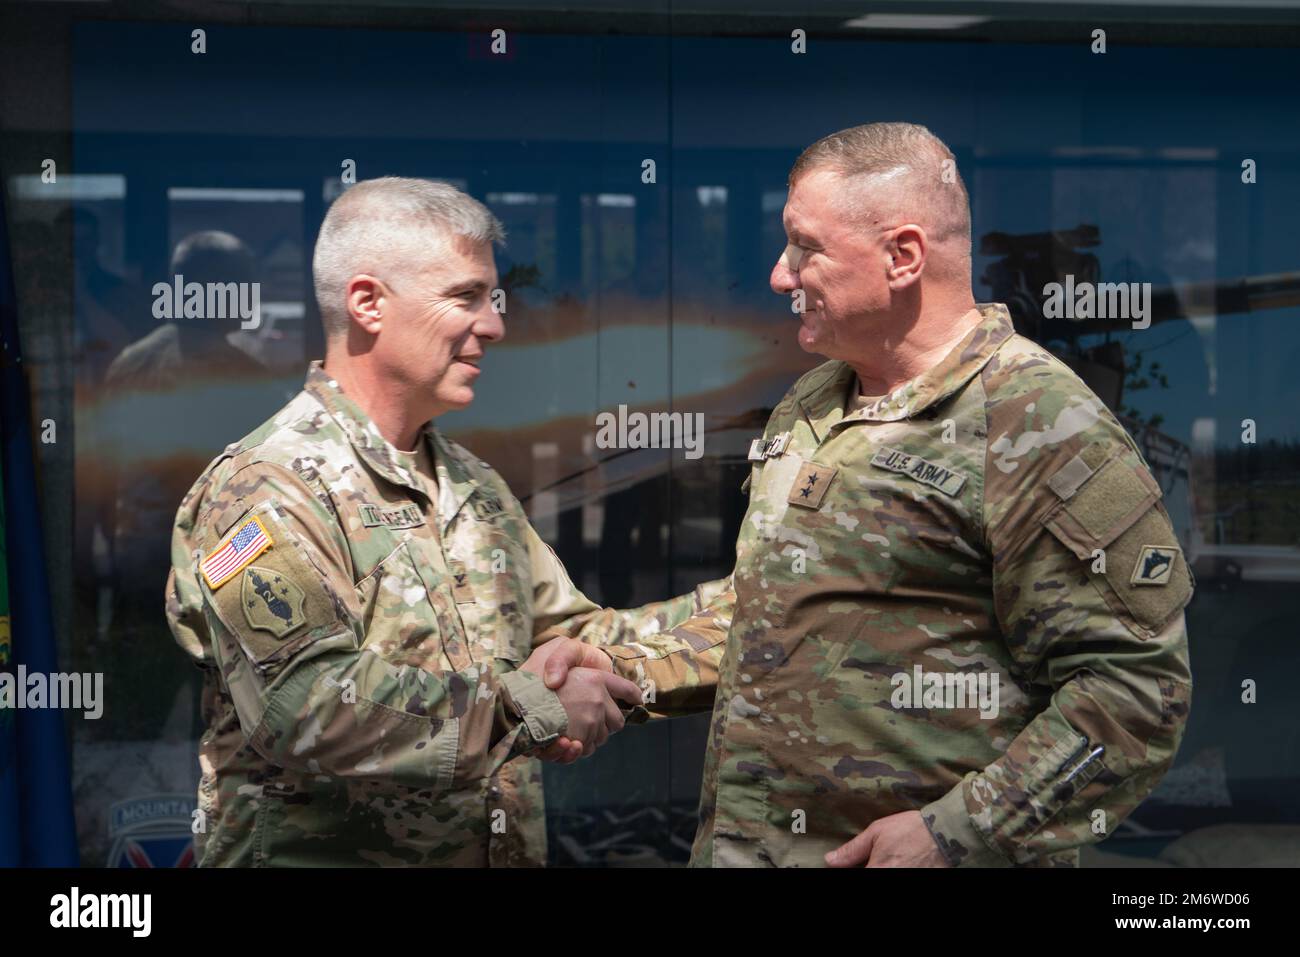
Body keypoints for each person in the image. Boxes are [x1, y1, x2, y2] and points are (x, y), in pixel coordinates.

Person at [557, 122, 1194, 867]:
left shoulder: (1038, 421)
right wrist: (614, 659)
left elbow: (1135, 692)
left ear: (903, 256)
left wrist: (957, 833)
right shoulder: (816, 401)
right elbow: (769, 605)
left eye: (805, 247)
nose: (779, 275)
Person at [164, 177, 700, 866]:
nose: (495, 323)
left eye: (492, 297)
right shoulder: (262, 488)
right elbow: (302, 703)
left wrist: (770, 619)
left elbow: (575, 637)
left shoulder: (471, 483)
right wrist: (525, 703)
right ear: (368, 304)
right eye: (465, 296)